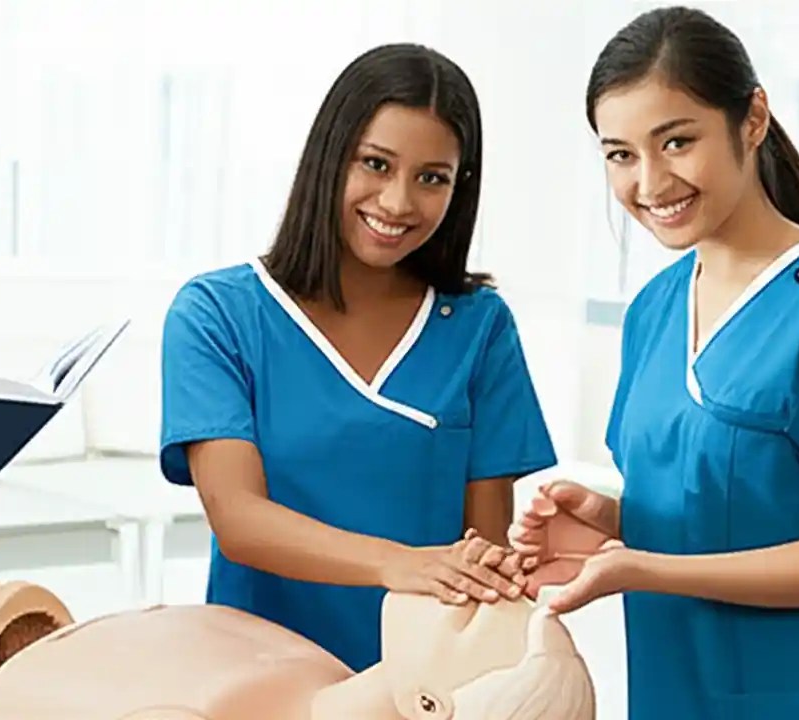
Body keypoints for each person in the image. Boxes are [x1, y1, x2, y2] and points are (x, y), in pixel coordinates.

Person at [510, 6, 799, 718]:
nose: (650, 181)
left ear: (752, 119)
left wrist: (647, 568)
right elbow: (731, 510)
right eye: (620, 154)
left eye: (677, 141)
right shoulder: (655, 310)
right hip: (677, 691)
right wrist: (610, 519)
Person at [158, 43, 557, 673]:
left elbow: (481, 545)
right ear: (328, 160)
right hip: (259, 683)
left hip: (420, 686)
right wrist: (403, 562)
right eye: (375, 164)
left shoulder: (479, 327)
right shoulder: (219, 314)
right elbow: (239, 519)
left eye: (433, 178)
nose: (398, 203)